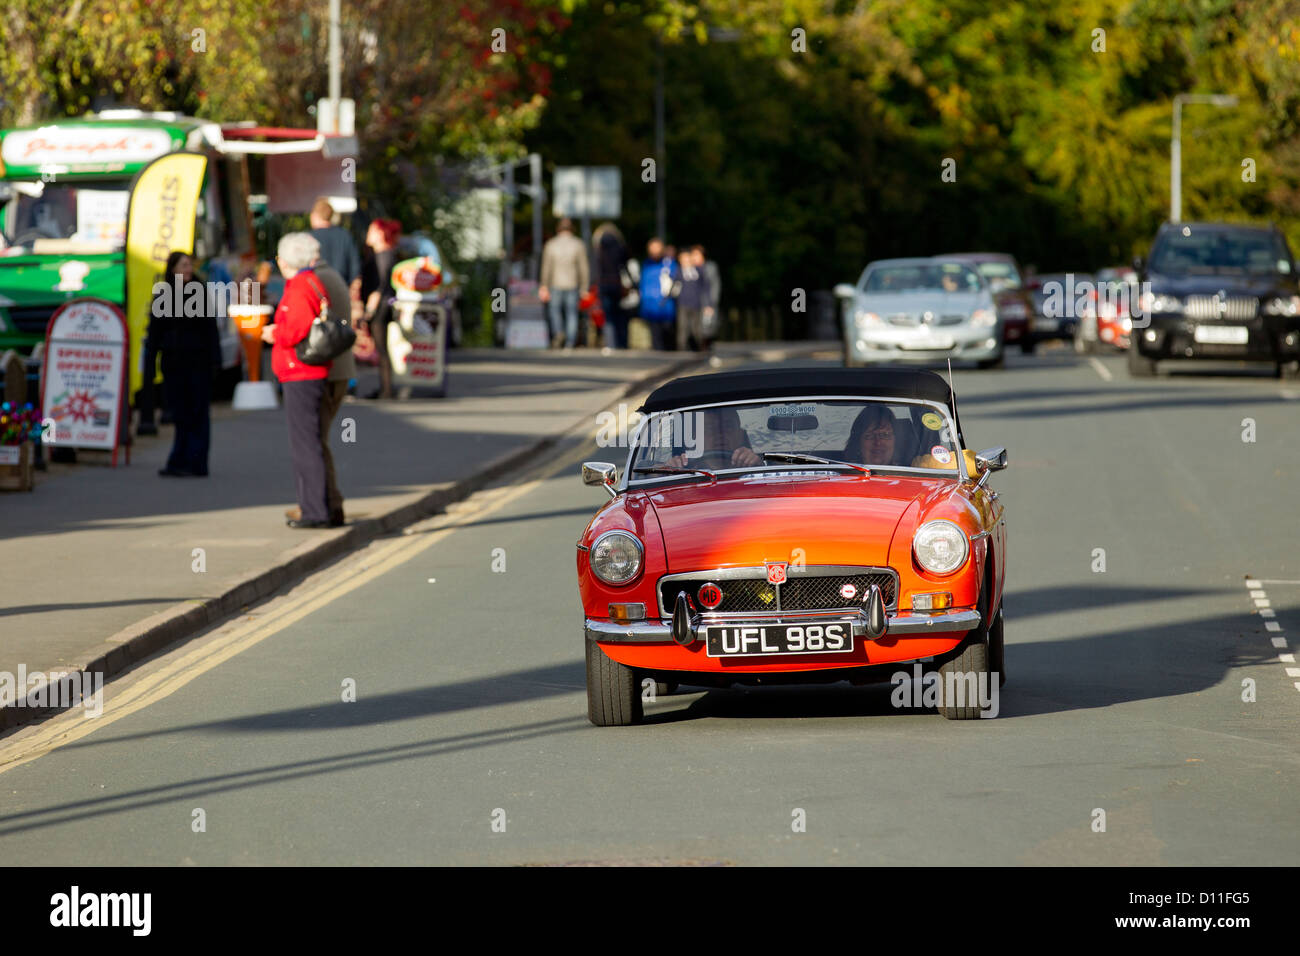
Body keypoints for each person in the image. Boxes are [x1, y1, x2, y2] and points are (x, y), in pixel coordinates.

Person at [261, 233, 335, 528]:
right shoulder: (311, 281)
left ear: (286, 260)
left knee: (305, 444)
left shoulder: (301, 285)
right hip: (306, 371)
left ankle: (315, 510)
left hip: (301, 371)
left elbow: (297, 328)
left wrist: (274, 334)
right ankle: (313, 507)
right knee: (309, 442)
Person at [283, 255, 355, 526]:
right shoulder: (331, 274)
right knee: (317, 442)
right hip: (338, 369)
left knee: (313, 444)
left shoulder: (310, 280)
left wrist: (277, 333)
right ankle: (327, 505)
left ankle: (323, 506)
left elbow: (299, 328)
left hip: (322, 370)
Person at [146, 251, 220, 477]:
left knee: (197, 412)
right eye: (183, 265)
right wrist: (150, 363)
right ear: (173, 269)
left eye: (190, 265)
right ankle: (178, 459)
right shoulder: (163, 295)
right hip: (173, 364)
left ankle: (196, 463)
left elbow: (210, 330)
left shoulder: (200, 291)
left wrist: (215, 362)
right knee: (180, 413)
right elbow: (155, 332)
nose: (188, 269)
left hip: (198, 363)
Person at [361, 217, 401, 399]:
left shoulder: (383, 256)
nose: (368, 234)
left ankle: (387, 389)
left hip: (380, 307)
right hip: (382, 305)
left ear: (381, 234)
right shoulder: (382, 254)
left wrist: (369, 309)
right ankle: (385, 387)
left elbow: (380, 285)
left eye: (371, 230)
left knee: (382, 349)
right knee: (382, 348)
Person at [539, 218, 589, 349]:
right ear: (572, 229)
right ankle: (570, 342)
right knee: (572, 313)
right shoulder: (578, 244)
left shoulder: (551, 244)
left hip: (555, 284)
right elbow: (583, 268)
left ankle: (559, 332)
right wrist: (584, 287)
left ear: (558, 229)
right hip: (572, 284)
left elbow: (546, 267)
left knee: (554, 311)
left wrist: (544, 285)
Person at [666, 407, 760, 467]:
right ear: (695, 438)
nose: (720, 434)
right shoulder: (682, 472)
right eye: (710, 429)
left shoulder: (755, 469)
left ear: (741, 435)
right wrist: (665, 472)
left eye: (728, 426)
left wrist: (758, 466)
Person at [309, 197, 362, 301]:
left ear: (315, 215)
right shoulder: (345, 235)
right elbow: (355, 268)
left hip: (316, 294)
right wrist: (354, 292)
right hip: (341, 292)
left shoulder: (309, 238)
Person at [594, 223, 631, 349]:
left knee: (608, 316)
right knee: (619, 315)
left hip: (604, 284)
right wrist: (632, 284)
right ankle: (622, 342)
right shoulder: (620, 248)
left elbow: (595, 270)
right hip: (617, 284)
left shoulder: (599, 250)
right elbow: (625, 267)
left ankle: (611, 343)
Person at [639, 238, 679, 350]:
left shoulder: (669, 264)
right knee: (655, 335)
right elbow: (644, 283)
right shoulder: (646, 264)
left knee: (668, 332)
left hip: (665, 305)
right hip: (650, 305)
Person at [675, 247, 709, 352]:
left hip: (696, 303)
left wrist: (707, 303)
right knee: (683, 327)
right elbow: (673, 286)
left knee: (696, 328)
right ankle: (682, 349)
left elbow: (705, 287)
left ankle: (699, 348)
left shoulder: (699, 271)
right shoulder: (679, 272)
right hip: (683, 303)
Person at [696, 245, 722, 346]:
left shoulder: (710, 268)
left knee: (707, 329)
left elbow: (715, 286)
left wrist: (711, 304)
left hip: (707, 303)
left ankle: (708, 352)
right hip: (694, 304)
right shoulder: (690, 269)